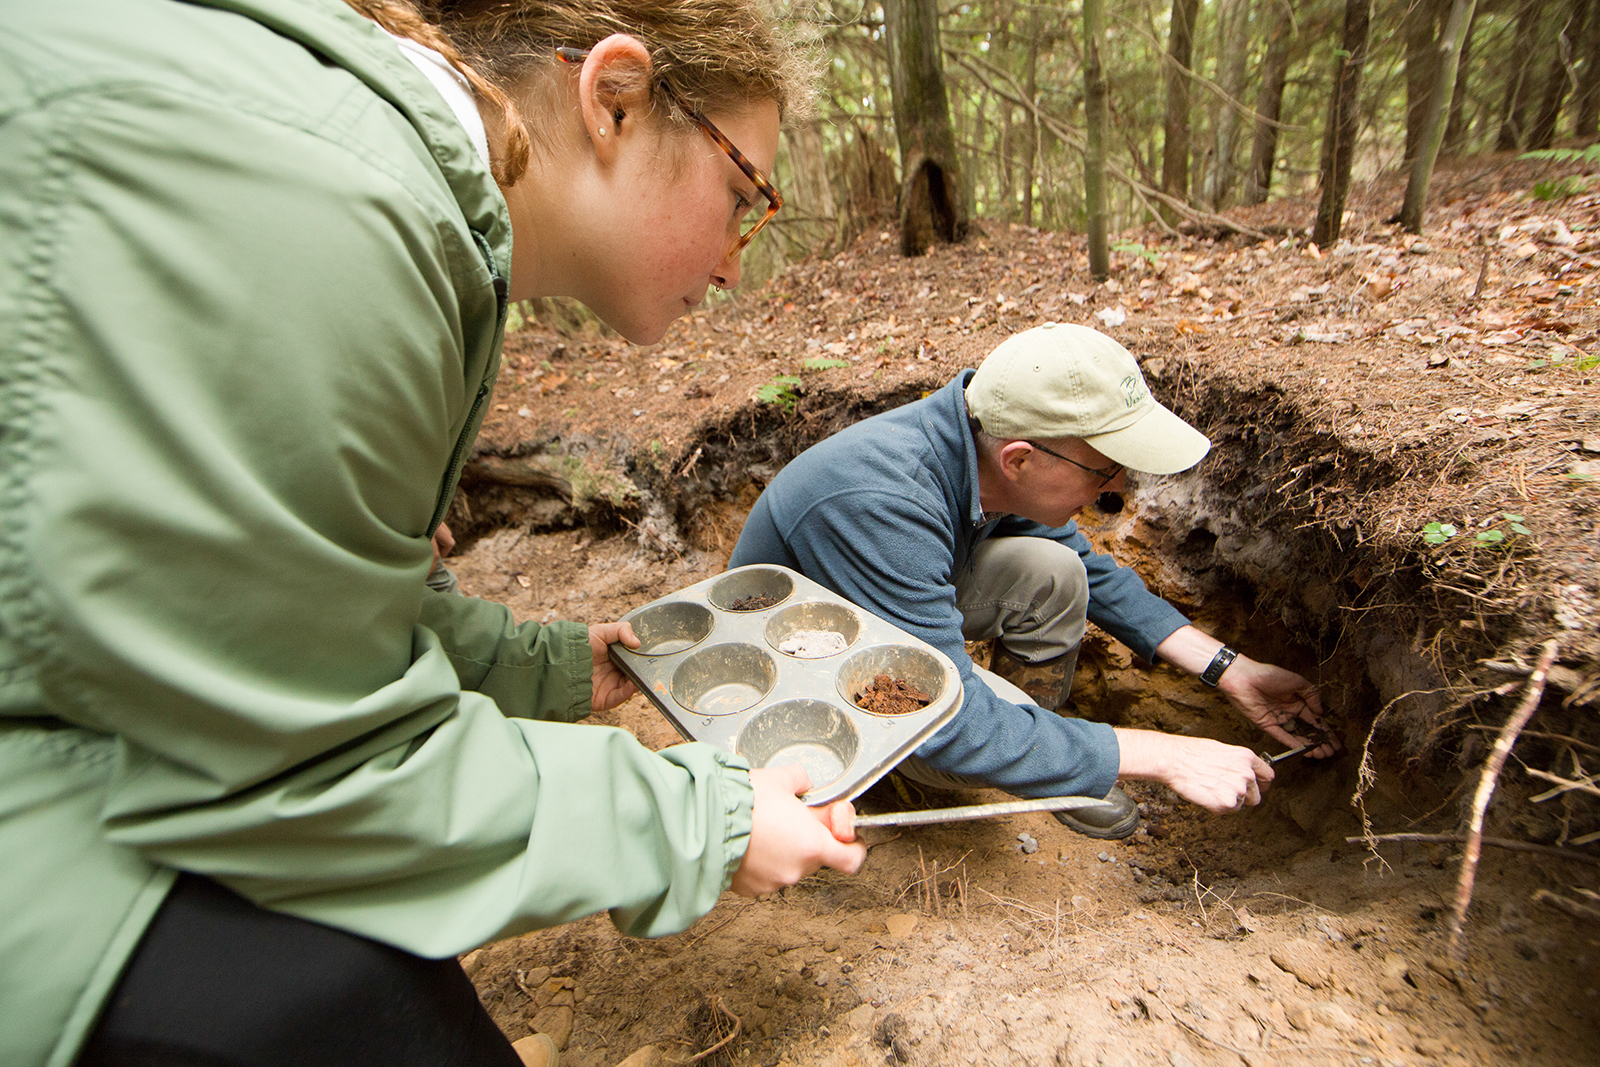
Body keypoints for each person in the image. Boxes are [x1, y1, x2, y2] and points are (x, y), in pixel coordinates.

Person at [0, 3, 864, 1067]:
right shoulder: (341, 206)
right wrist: (707, 817)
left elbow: (262, 586)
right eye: (743, 194)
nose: (735, 261)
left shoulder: (369, 166)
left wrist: (530, 663)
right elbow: (292, 755)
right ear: (616, 98)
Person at [730, 322, 1336, 839]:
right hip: (791, 663)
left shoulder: (978, 444)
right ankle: (980, 765)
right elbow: (942, 721)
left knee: (1056, 573)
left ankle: (1043, 754)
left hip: (861, 611)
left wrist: (1230, 669)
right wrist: (1165, 755)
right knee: (969, 739)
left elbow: (1092, 571)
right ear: (1020, 459)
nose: (1119, 489)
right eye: (1106, 470)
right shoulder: (883, 502)